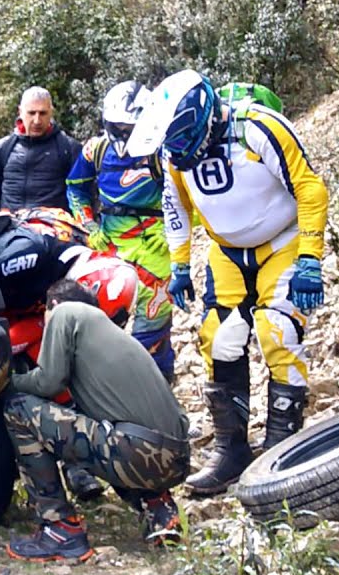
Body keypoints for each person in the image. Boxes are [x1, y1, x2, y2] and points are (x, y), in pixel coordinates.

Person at [128, 69, 327, 496]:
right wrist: (180, 266)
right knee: (219, 338)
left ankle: (282, 446)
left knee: (279, 332)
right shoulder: (173, 154)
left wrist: (310, 257)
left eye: (182, 137)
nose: (178, 149)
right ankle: (231, 448)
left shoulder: (259, 128)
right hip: (226, 250)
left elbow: (310, 189)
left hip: (283, 241)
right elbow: (175, 207)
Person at [3, 279, 190, 563]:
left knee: (18, 409)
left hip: (135, 454)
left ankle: (59, 528)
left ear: (52, 305)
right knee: (108, 424)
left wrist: (9, 380)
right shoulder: (109, 333)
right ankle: (159, 510)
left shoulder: (66, 313)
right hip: (175, 459)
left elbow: (49, 382)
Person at [65, 81, 175, 382]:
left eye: (132, 128)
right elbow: (75, 187)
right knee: (105, 332)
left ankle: (163, 406)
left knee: (152, 335)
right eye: (120, 128)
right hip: (109, 249)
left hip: (155, 250)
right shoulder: (96, 149)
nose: (125, 135)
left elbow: (191, 193)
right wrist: (88, 225)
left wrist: (172, 228)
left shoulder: (163, 150)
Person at [0, 87, 82, 257]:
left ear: (51, 112)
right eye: (31, 113)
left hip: (54, 241)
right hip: (9, 239)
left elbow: (82, 201)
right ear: (20, 112)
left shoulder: (68, 148)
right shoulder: (2, 149)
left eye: (43, 113)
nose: (37, 120)